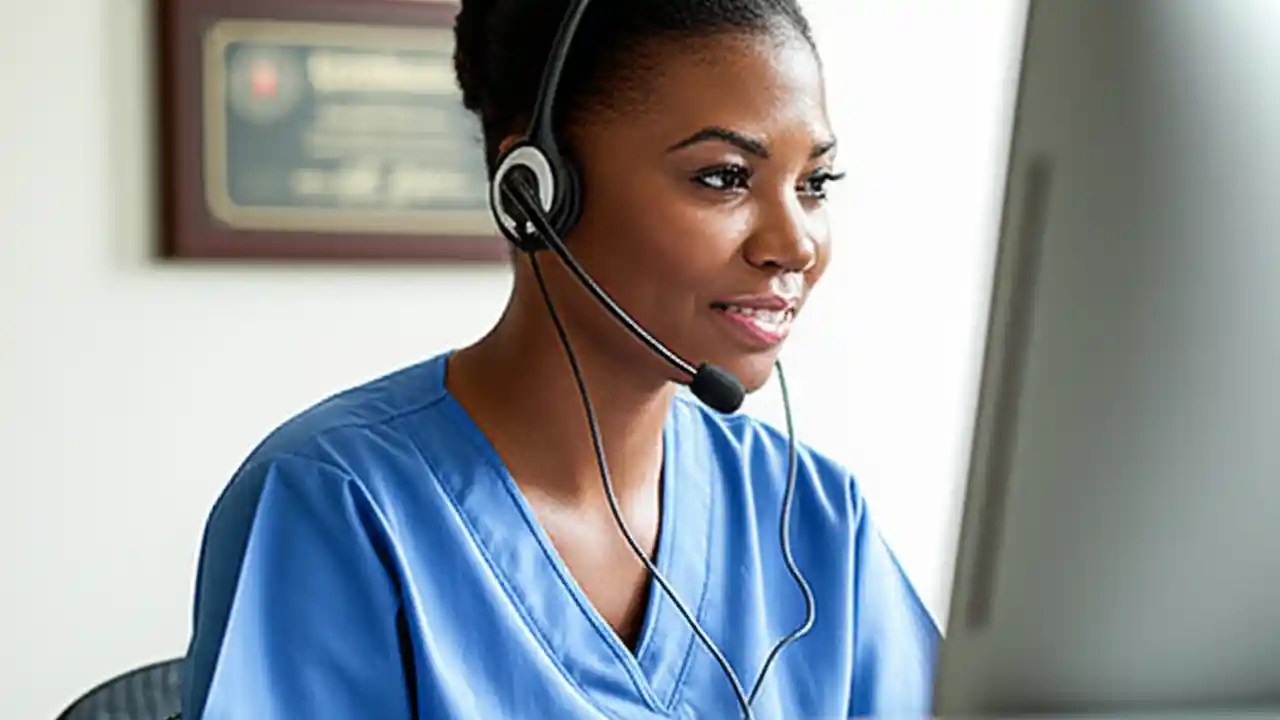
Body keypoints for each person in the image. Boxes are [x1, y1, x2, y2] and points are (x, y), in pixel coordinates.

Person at [181, 0, 940, 718]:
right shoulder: (338, 501)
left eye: (814, 184)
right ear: (537, 192)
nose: (795, 244)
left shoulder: (812, 515)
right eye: (724, 177)